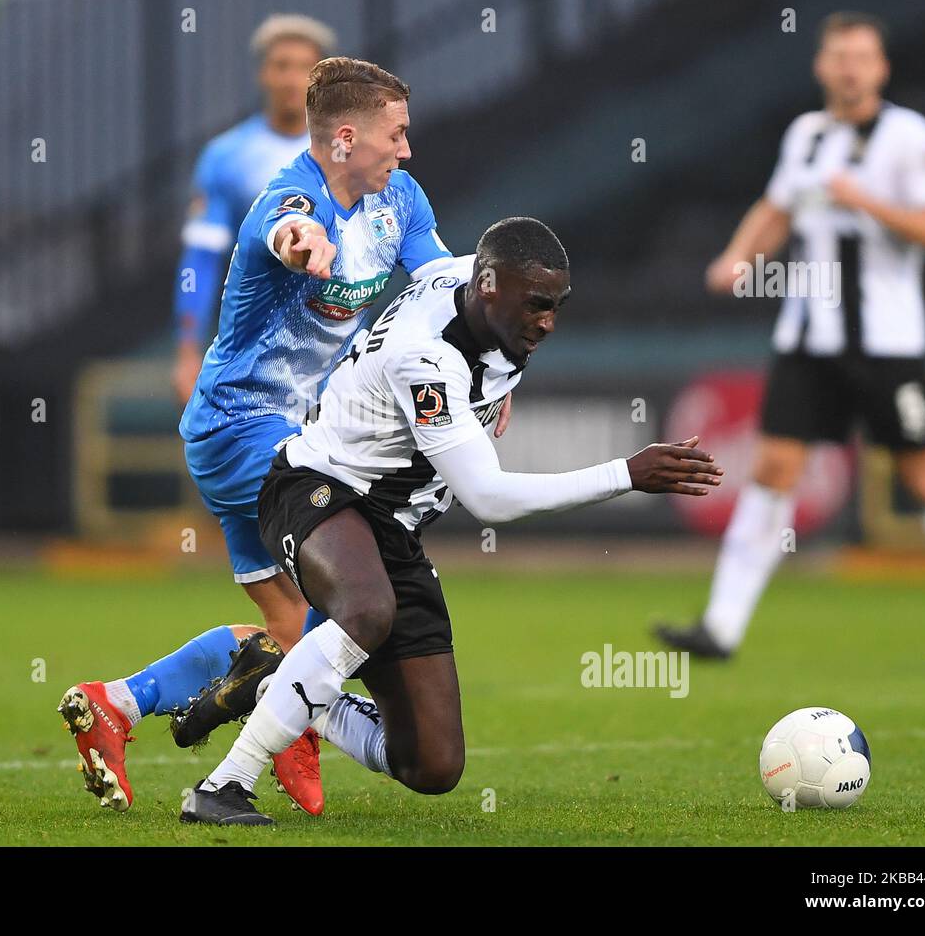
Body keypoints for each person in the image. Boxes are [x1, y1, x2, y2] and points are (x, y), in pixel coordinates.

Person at [177, 217, 724, 825]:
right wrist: (626, 473)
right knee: (367, 612)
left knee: (432, 766)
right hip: (316, 486)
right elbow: (488, 498)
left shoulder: (475, 285)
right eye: (536, 305)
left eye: (557, 305)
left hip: (392, 525)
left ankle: (284, 688)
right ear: (489, 286)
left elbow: (448, 269)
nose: (548, 321)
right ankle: (223, 786)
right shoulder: (428, 358)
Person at [60, 56, 461, 815]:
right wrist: (303, 245)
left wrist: (478, 366)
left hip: (277, 439)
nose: (407, 149)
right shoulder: (288, 200)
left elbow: (442, 285)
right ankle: (250, 746)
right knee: (361, 591)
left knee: (289, 632)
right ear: (347, 138)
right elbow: (286, 229)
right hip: (248, 433)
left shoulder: (398, 198)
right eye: (396, 134)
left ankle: (116, 702)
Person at [653, 12, 925, 662]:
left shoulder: (911, 137)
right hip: (808, 339)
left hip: (887, 344)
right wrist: (738, 256)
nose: (849, 68)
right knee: (774, 469)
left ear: (882, 67)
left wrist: (866, 201)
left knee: (923, 475)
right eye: (838, 56)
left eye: (861, 56)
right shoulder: (806, 135)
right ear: (821, 66)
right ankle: (721, 628)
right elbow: (776, 207)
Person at [171, 15, 338, 404]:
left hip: (334, 346)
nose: (292, 79)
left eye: (305, 69)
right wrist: (186, 349)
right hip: (252, 346)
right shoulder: (227, 157)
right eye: (282, 66)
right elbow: (200, 258)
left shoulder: (345, 155)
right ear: (264, 74)